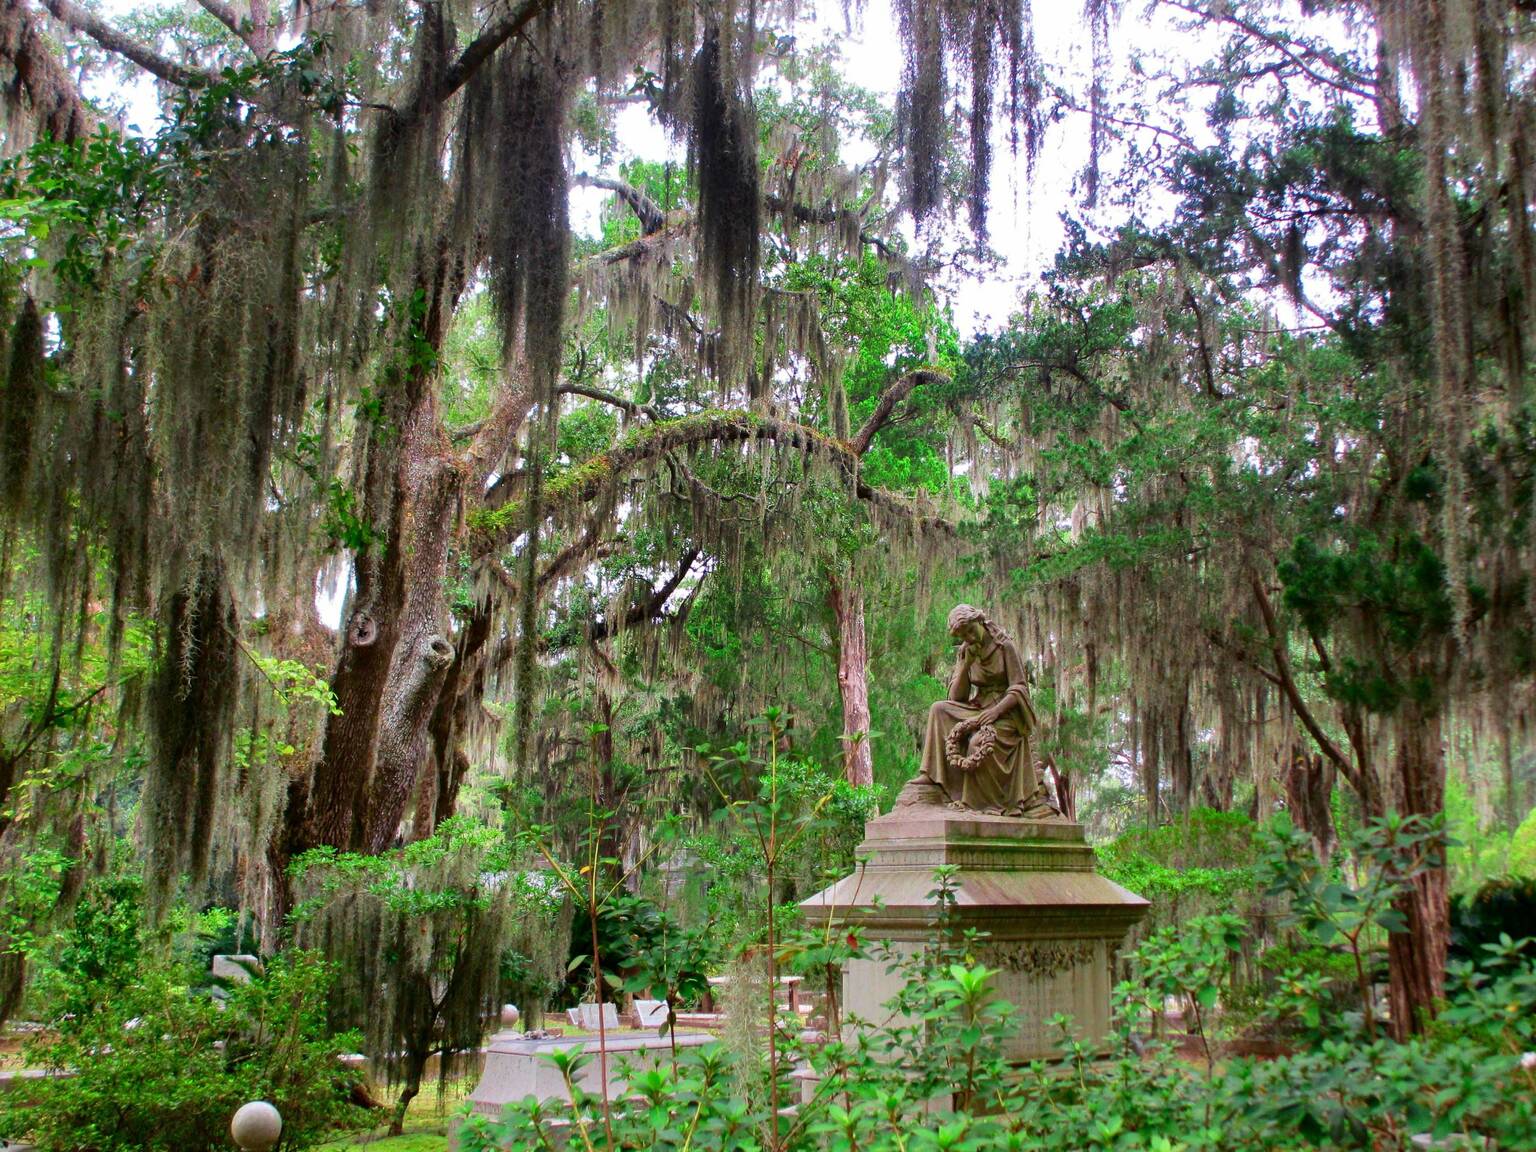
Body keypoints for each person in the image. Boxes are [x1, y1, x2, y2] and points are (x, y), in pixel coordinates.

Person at [895, 604, 1061, 818]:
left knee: (977, 743)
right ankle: (931, 776)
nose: (970, 637)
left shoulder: (1004, 646)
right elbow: (957, 697)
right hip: (978, 706)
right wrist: (965, 665)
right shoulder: (966, 650)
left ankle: (984, 803)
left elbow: (1019, 687)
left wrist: (996, 712)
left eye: (971, 630)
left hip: (1005, 712)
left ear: (980, 621)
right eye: (964, 635)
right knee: (938, 709)